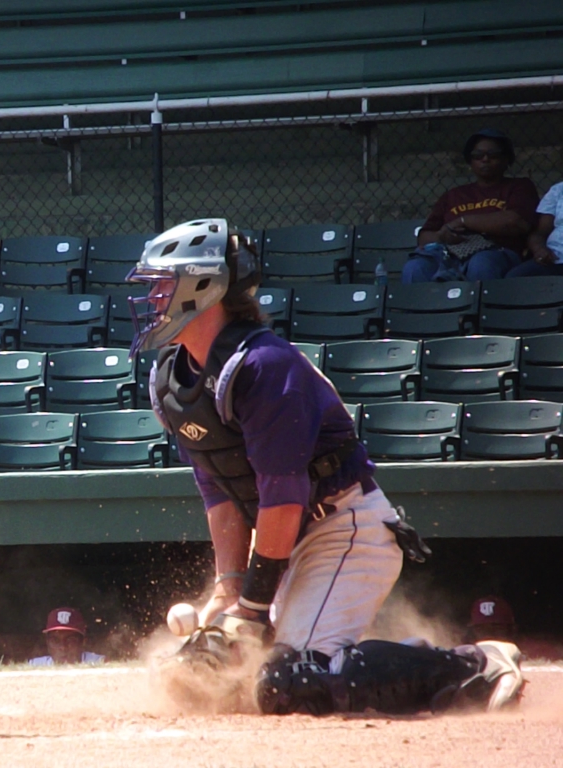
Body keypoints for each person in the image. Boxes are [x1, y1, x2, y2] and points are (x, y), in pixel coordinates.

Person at [128, 219, 524, 714]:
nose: (153, 297)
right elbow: (221, 491)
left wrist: (252, 610)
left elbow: (282, 497)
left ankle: (473, 665)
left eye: (163, 284)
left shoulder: (263, 365)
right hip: (280, 543)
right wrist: (229, 588)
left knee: (293, 683)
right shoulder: (171, 378)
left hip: (342, 527)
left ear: (204, 287)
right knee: (216, 682)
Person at [402, 128, 539, 283]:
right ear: (470, 161)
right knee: (415, 267)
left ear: (506, 159)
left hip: (496, 252)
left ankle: (483, 307)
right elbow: (424, 238)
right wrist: (442, 235)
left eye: (493, 154)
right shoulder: (454, 195)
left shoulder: (519, 186)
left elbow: (514, 222)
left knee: (481, 263)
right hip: (450, 253)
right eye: (478, 155)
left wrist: (463, 221)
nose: (485, 159)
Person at [505, 180, 563, 277]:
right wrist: (540, 250)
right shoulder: (558, 190)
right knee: (514, 278)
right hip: (556, 258)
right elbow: (540, 233)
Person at [28, 607, 105, 666]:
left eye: (70, 640)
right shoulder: (35, 666)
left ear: (83, 642)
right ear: (47, 643)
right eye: (55, 641)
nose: (63, 647)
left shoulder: (99, 664)